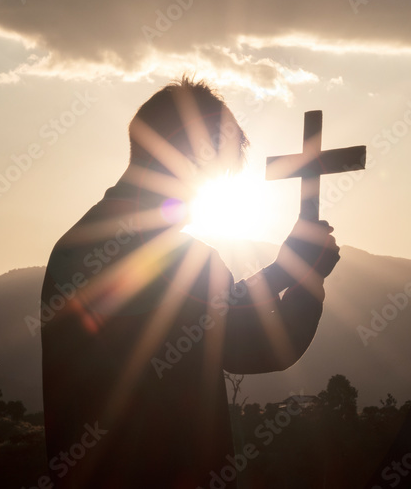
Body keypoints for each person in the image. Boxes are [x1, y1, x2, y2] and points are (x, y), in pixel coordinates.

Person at [40, 76, 339, 488]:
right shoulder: (185, 259)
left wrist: (285, 271)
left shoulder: (71, 249)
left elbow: (205, 312)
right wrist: (309, 279)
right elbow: (257, 345)